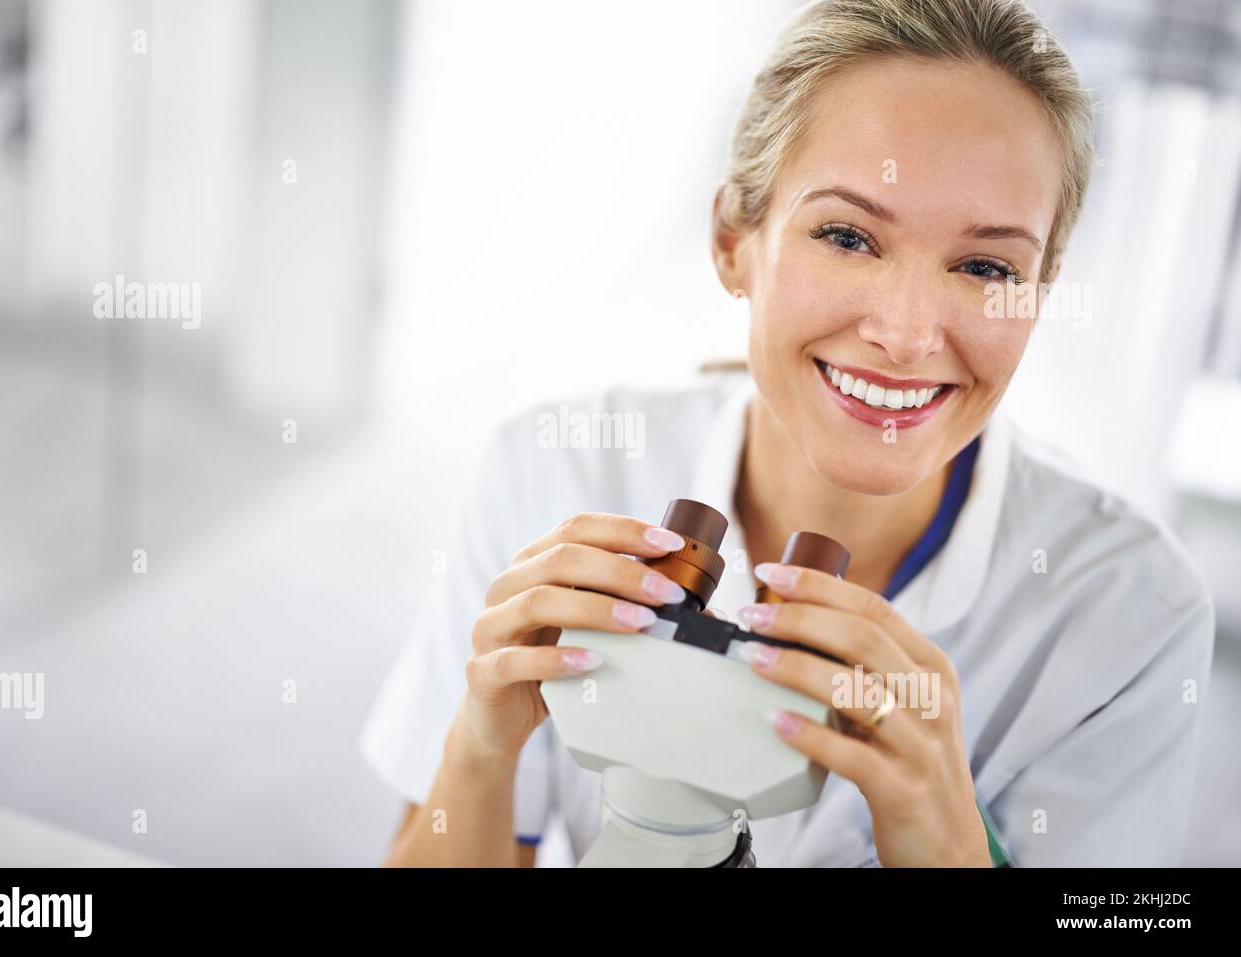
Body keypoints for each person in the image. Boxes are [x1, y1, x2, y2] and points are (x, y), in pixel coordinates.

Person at [361, 0, 1215, 867]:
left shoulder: (1137, 614)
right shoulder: (553, 469)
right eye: (848, 236)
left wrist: (953, 847)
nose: (908, 333)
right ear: (735, 239)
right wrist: (480, 748)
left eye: (986, 266)